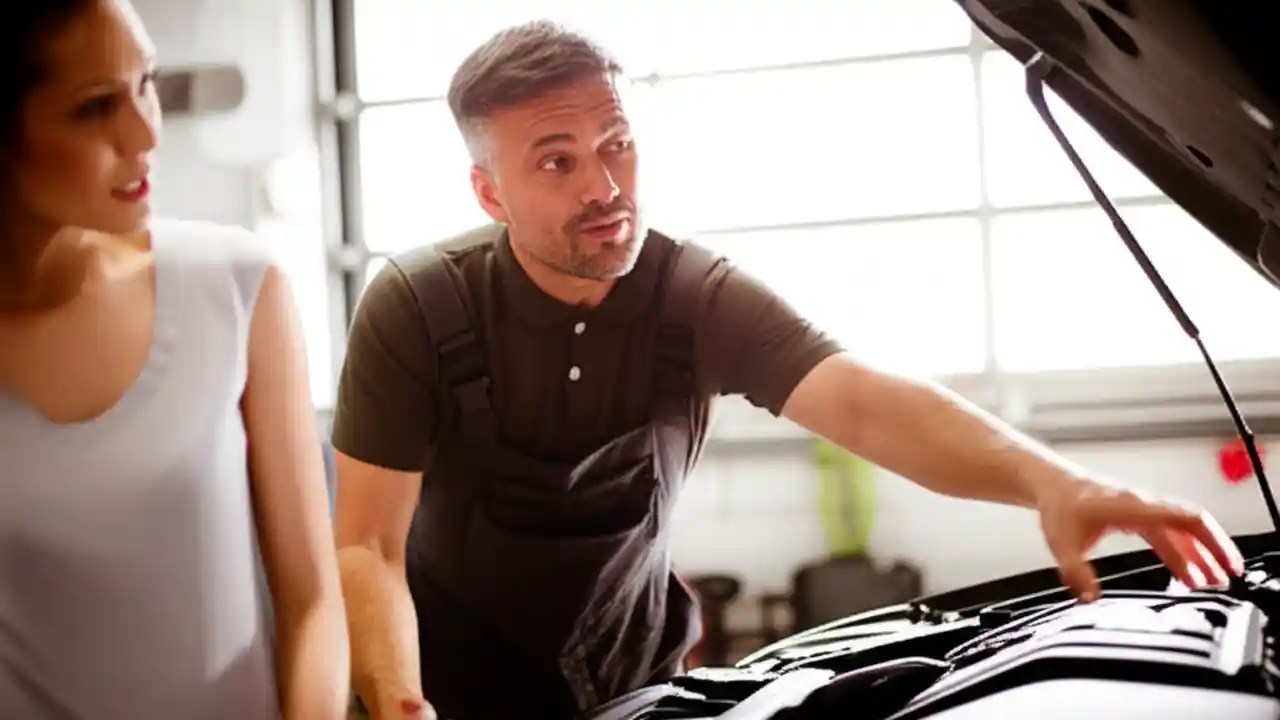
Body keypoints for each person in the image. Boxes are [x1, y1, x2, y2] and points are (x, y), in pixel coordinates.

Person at [331, 20, 1246, 720]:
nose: (603, 187)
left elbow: (863, 400)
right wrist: (399, 702)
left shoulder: (690, 294)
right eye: (556, 161)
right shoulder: (418, 307)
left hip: (635, 688)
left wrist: (1055, 482)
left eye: (616, 142)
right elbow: (366, 547)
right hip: (448, 693)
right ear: (490, 192)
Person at [0, 2, 349, 718]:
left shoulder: (236, 286)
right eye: (96, 107)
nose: (147, 132)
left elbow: (314, 601)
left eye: (147, 84)